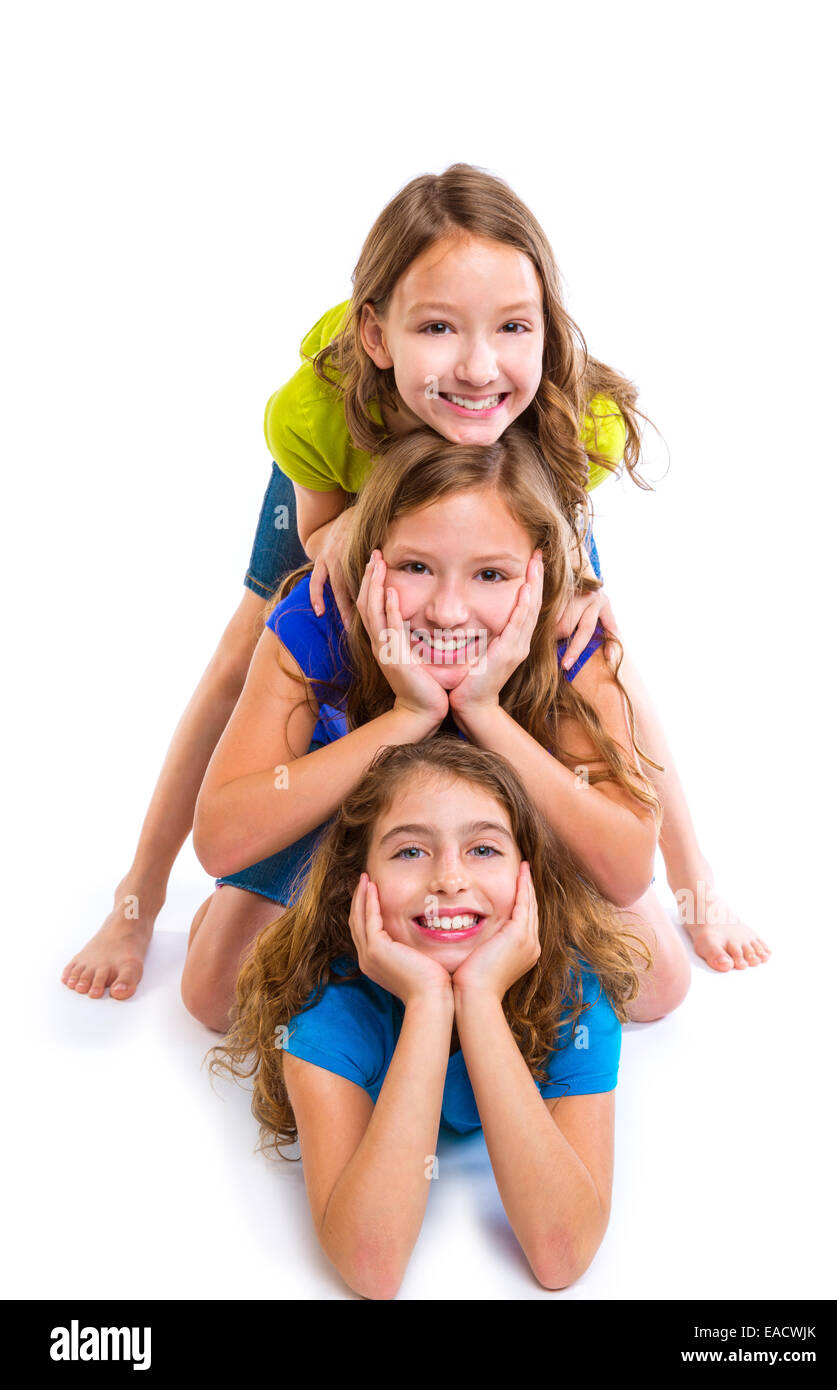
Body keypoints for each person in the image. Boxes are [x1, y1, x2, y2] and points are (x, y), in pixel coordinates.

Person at [62, 163, 767, 1003]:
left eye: (512, 327)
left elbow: (555, 540)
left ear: (546, 329)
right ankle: (136, 901)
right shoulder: (318, 411)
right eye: (436, 328)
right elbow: (322, 530)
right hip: (352, 503)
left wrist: (573, 582)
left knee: (595, 648)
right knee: (244, 654)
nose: (476, 367)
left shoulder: (578, 418)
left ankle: (692, 881)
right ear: (376, 337)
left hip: (516, 485)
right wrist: (347, 544)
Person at [185, 425, 688, 1033]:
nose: (448, 611)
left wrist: (486, 714)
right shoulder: (317, 618)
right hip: (348, 811)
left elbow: (629, 866)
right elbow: (217, 835)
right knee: (217, 996)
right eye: (416, 567)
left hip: (497, 819)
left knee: (657, 983)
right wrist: (406, 719)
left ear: (540, 574)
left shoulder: (571, 633)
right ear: (368, 557)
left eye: (492, 576)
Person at [207, 737, 650, 1298]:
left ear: (526, 879)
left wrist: (481, 998)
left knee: (655, 964)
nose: (448, 878)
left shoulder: (576, 995)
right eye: (410, 852)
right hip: (325, 935)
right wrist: (428, 1002)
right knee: (208, 985)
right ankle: (224, 897)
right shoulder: (329, 1008)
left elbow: (561, 1255)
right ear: (356, 884)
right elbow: (372, 1267)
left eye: (484, 850)